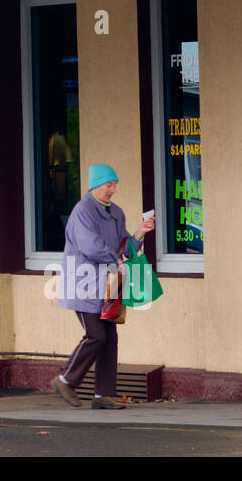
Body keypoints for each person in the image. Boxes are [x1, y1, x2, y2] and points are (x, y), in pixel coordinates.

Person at [51, 163, 154, 410]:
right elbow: (91, 245)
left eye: (115, 184)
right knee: (96, 335)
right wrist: (117, 259)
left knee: (109, 338)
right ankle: (65, 380)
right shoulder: (82, 211)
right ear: (95, 185)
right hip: (83, 284)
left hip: (107, 287)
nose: (113, 190)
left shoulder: (116, 213)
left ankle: (103, 395)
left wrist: (139, 233)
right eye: (109, 185)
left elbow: (124, 246)